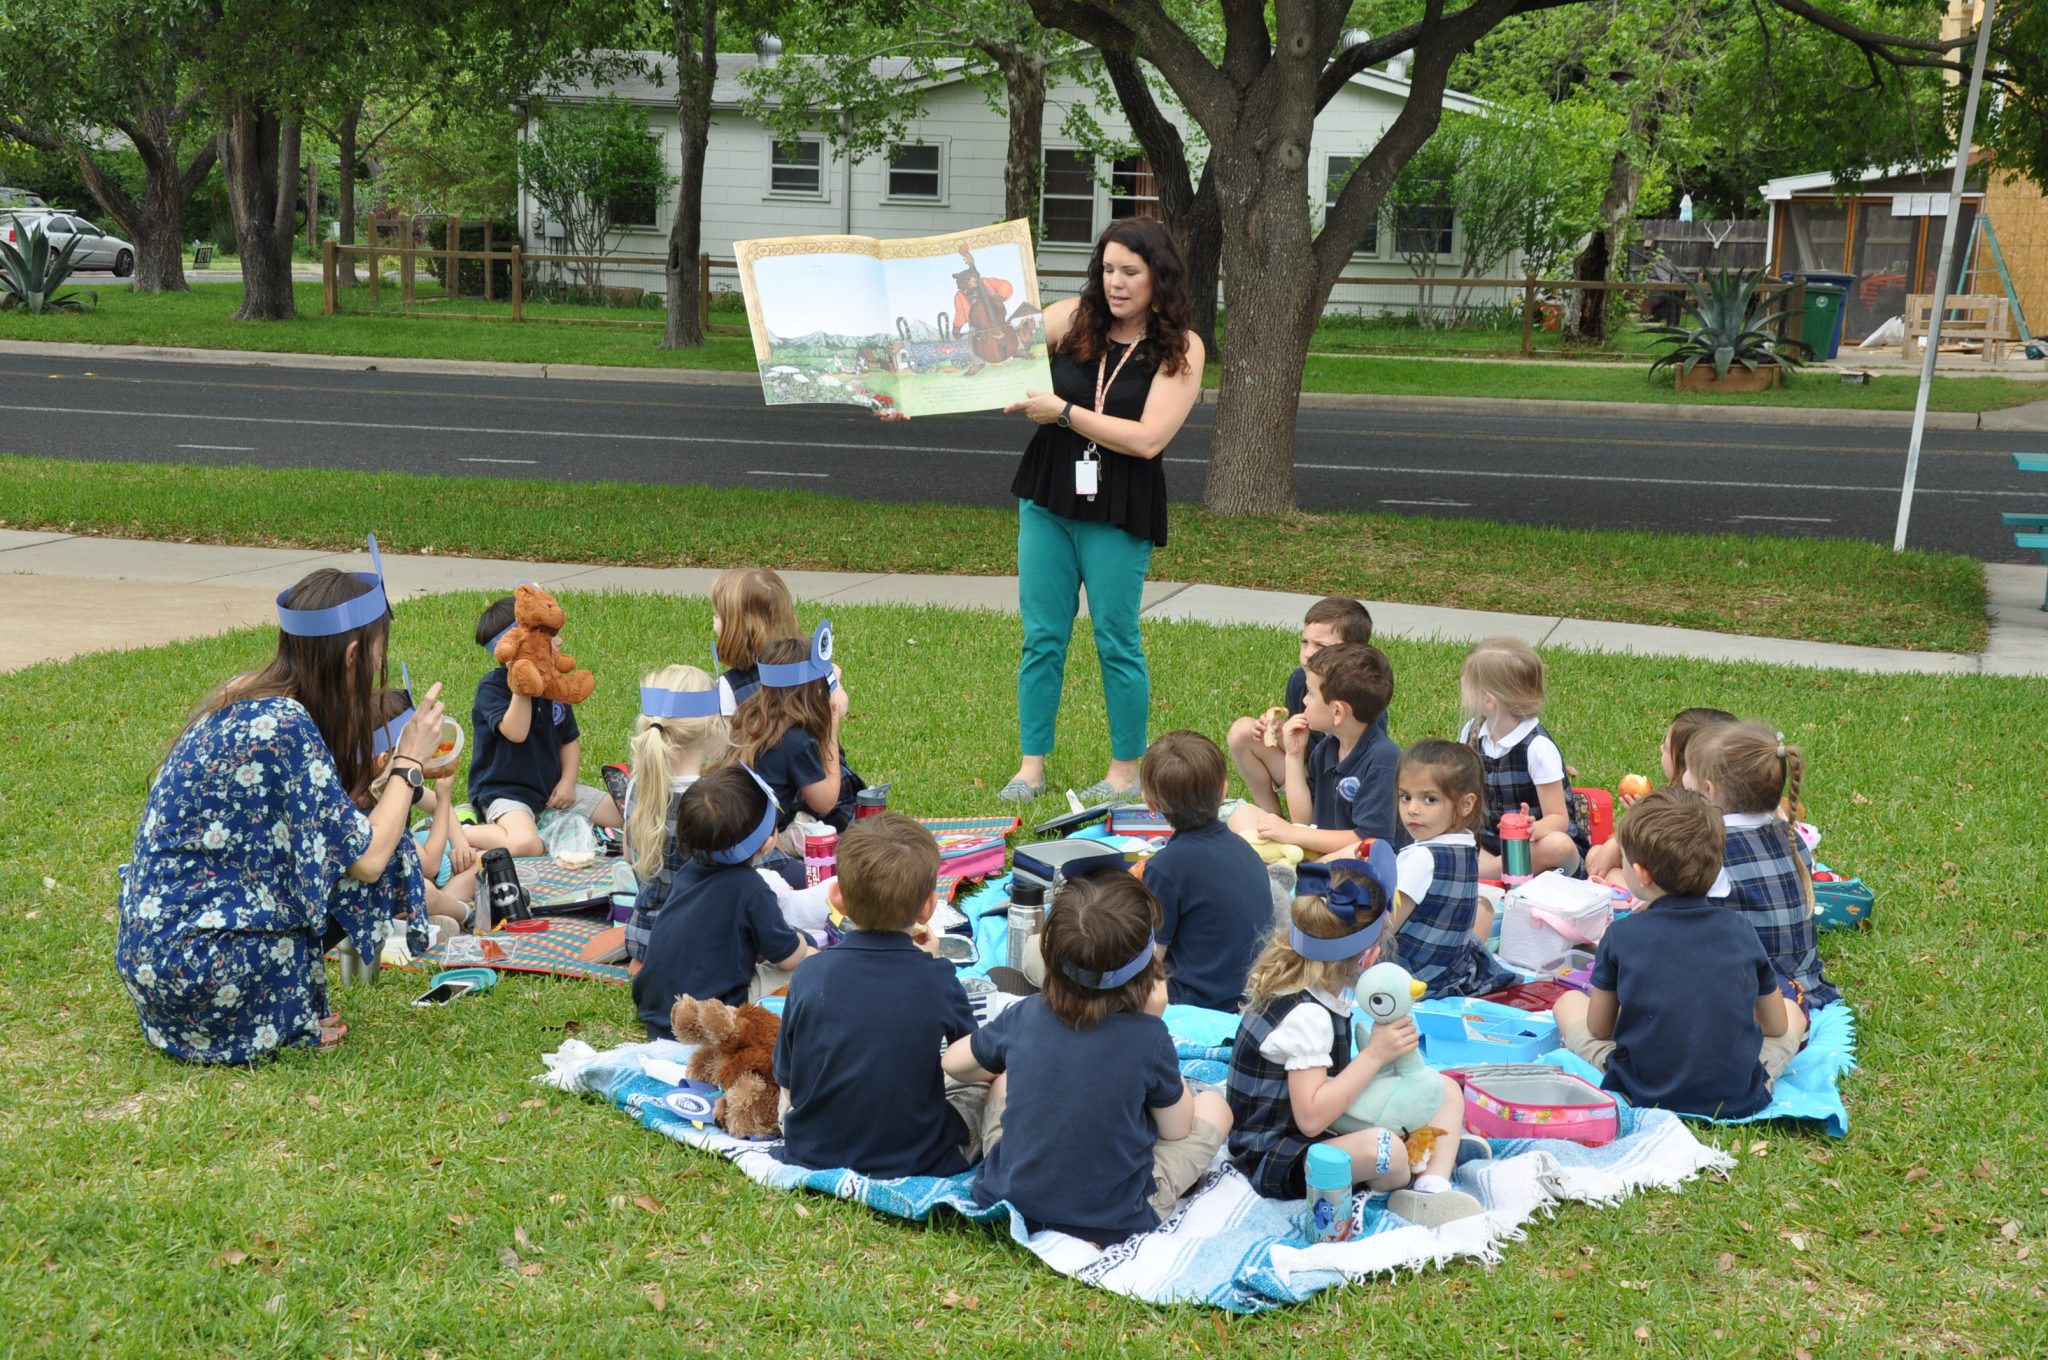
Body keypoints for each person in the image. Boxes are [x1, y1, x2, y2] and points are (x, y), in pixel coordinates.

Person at [883, 218, 1205, 806]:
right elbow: (985, 355)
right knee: (1042, 637)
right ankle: (1031, 769)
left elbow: (1147, 439)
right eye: (1107, 269)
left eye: (1130, 272)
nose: (1115, 283)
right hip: (1049, 494)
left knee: (1116, 638)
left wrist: (1063, 411)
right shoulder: (1070, 317)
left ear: (1159, 277)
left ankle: (1123, 774)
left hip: (1118, 505)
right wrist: (914, 399)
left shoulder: (1181, 349)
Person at [115, 548, 439, 1062]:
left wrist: (378, 792)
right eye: (380, 652)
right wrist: (408, 764)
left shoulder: (247, 696)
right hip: (203, 969)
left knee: (355, 834)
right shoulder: (286, 723)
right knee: (382, 849)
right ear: (353, 654)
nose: (380, 665)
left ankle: (286, 1004)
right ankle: (272, 1013)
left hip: (158, 964)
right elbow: (368, 859)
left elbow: (301, 834)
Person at [943, 870, 1233, 1246]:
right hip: (1114, 1217)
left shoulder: (1026, 1014)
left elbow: (953, 1063)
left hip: (1007, 1194)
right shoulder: (1149, 1036)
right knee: (1214, 1105)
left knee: (1002, 1078)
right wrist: (1151, 1025)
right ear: (1149, 969)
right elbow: (1176, 1130)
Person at [1226, 854, 1481, 1226]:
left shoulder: (1315, 988)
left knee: (1443, 1089)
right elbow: (1311, 1118)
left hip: (1327, 1126)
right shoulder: (1307, 1015)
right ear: (1369, 956)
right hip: (1280, 1153)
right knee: (1385, 1151)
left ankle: (1432, 1187)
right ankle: (1417, 1161)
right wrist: (1375, 1056)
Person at [1552, 788, 1807, 1118]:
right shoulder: (1741, 929)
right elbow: (1775, 1026)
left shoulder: (1621, 935)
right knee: (1793, 1012)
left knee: (1567, 1003)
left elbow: (1600, 1029)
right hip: (1736, 1092)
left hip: (1640, 1086)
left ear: (1641, 873)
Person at [774, 813, 984, 1178]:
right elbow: (975, 1063)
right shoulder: (939, 980)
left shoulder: (809, 973)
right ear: (928, 907)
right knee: (983, 1091)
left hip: (812, 1148)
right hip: (918, 1156)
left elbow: (790, 1086)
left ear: (838, 900)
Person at [1685, 722, 1838, 1011]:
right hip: (1804, 984)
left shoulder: (1710, 846)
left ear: (1708, 790)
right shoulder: (1790, 835)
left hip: (1745, 992)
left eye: (1687, 775)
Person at [467, 595, 619, 860]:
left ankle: (545, 826)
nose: (559, 642)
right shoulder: (492, 689)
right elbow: (516, 731)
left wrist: (568, 781)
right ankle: (459, 832)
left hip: (551, 790)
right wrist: (522, 676)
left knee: (623, 817)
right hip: (505, 795)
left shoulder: (554, 686)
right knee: (528, 846)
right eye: (547, 637)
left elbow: (568, 741)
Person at [1136, 730, 1272, 1012]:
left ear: (1149, 803)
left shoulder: (1165, 868)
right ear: (1224, 791)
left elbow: (1149, 963)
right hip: (1253, 997)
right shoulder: (1246, 850)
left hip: (1195, 1004)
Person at [1229, 643, 1400, 857]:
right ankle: (1289, 873)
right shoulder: (1327, 749)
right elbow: (1303, 820)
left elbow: (1368, 839)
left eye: (1310, 693)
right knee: (1242, 814)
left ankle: (1295, 876)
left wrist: (1292, 834)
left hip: (1358, 859)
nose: (1304, 700)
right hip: (1316, 848)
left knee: (1360, 852)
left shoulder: (1383, 757)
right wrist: (1293, 755)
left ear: (1337, 712)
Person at [1389, 741, 1518, 999]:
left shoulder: (1420, 858)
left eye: (1429, 799)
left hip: (1409, 981)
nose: (1412, 809)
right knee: (1485, 906)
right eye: (1406, 797)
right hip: (1449, 972)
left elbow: (1386, 925)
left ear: (1466, 804)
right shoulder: (1467, 844)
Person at [1225, 598, 1377, 814]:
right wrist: (1280, 735)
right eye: (1305, 642)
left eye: (1321, 646)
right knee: (1243, 731)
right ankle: (1270, 816)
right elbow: (1304, 752)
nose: (1307, 653)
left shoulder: (1365, 698)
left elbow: (1363, 769)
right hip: (1308, 775)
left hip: (1343, 795)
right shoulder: (1300, 681)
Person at [622, 666, 731, 967]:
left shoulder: (637, 788)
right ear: (712, 726)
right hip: (700, 945)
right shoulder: (712, 803)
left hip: (644, 941)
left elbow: (629, 855)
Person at [1457, 637, 1589, 878]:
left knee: (1559, 845)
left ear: (1489, 700)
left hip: (1532, 847)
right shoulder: (1472, 732)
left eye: (1467, 680)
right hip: (1487, 842)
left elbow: (1559, 819)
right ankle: (1499, 869)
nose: (1461, 682)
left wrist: (1533, 828)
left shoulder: (1537, 748)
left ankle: (1486, 872)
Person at [723, 630, 858, 836]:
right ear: (813, 692)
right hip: (745, 842)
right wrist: (831, 727)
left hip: (732, 827)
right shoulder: (796, 742)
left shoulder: (750, 717)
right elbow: (826, 801)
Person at [1587, 707, 1735, 883]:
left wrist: (1640, 821)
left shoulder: (1691, 812)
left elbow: (1659, 858)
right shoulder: (1733, 801)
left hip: (1679, 889)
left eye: (1665, 748)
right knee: (1598, 855)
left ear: (1684, 762)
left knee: (1604, 868)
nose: (1660, 749)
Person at [712, 567, 801, 703]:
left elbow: (727, 725)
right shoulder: (804, 670)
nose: (713, 620)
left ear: (736, 629)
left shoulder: (728, 687)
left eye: (717, 615)